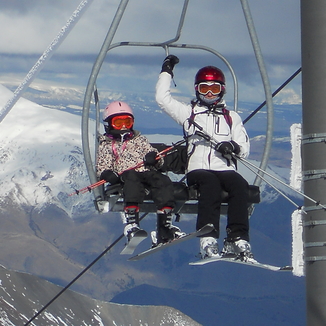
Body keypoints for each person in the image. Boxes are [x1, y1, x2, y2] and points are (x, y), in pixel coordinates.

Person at [155, 55, 254, 261]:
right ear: (196, 90)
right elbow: (162, 100)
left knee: (239, 185)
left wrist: (233, 146)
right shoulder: (189, 114)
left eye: (214, 89)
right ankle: (208, 237)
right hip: (198, 169)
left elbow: (244, 147)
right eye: (204, 89)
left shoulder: (231, 117)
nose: (209, 94)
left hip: (225, 168)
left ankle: (237, 237)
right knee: (210, 186)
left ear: (222, 90)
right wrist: (167, 71)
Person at [96, 101, 184, 249]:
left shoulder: (140, 140)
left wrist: (153, 158)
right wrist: (107, 173)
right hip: (125, 175)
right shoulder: (106, 144)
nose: (124, 126)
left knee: (162, 181)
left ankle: (164, 227)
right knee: (132, 178)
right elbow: (102, 164)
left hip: (146, 172)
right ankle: (132, 223)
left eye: (127, 121)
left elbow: (157, 158)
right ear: (109, 124)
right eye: (118, 122)